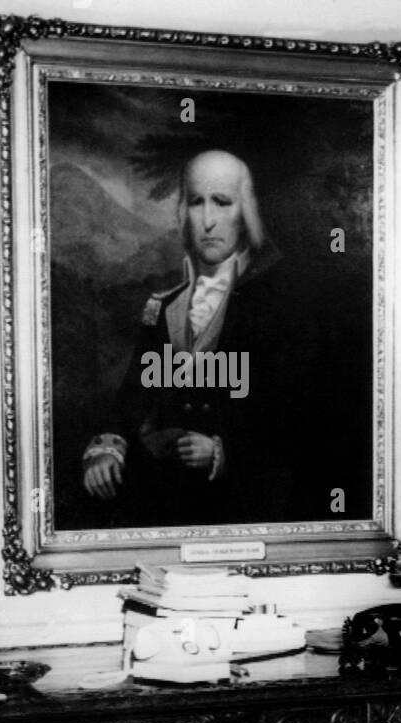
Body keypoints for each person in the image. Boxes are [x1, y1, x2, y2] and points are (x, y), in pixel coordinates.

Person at [81, 149, 312, 526]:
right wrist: (107, 449)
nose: (208, 220)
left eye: (222, 202)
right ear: (182, 213)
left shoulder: (278, 307)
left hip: (244, 502)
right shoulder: (164, 305)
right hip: (166, 494)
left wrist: (222, 453)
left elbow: (300, 422)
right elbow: (133, 398)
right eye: (196, 203)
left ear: (247, 212)